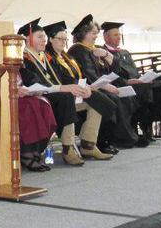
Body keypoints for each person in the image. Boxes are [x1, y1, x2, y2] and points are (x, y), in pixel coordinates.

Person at [17, 19, 110, 168]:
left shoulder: (44, 57)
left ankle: (88, 144)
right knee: (66, 98)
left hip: (56, 95)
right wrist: (66, 88)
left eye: (44, 36)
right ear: (28, 38)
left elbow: (59, 80)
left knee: (93, 99)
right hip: (40, 98)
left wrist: (79, 88)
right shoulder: (23, 59)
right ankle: (68, 148)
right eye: (40, 36)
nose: (44, 40)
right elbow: (36, 84)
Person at [44, 21, 115, 159]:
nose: (63, 42)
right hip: (59, 98)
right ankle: (68, 149)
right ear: (51, 39)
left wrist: (87, 87)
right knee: (76, 100)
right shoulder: (48, 58)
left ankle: (88, 145)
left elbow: (80, 75)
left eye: (65, 39)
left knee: (97, 103)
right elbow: (59, 80)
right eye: (60, 39)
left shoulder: (67, 57)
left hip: (76, 93)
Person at [67, 15, 138, 151]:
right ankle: (102, 141)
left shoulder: (95, 48)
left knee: (127, 97)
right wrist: (106, 86)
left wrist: (106, 55)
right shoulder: (78, 50)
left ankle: (120, 137)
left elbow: (116, 70)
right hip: (88, 88)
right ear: (84, 33)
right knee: (111, 98)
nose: (96, 36)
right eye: (93, 33)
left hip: (102, 85)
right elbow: (89, 75)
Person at [101, 21, 161, 147]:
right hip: (120, 85)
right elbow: (106, 75)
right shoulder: (103, 54)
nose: (119, 37)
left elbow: (134, 71)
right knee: (146, 93)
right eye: (115, 35)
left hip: (137, 83)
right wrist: (128, 81)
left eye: (119, 34)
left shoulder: (124, 52)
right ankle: (144, 125)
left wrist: (143, 78)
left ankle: (149, 121)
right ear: (106, 37)